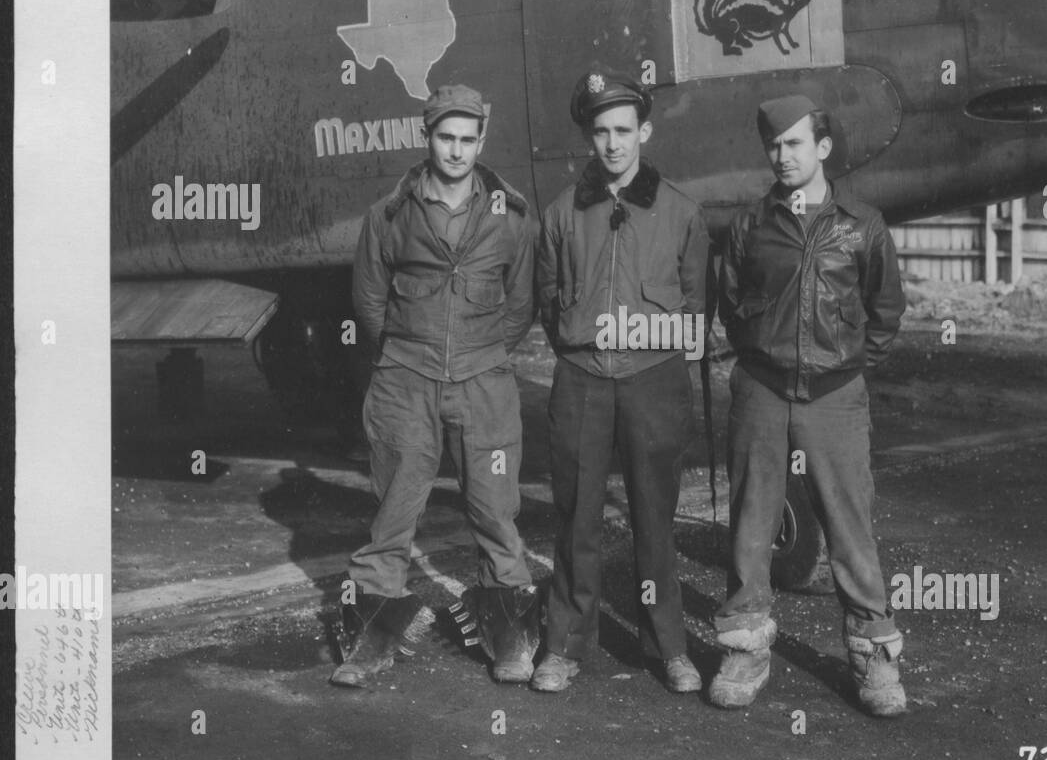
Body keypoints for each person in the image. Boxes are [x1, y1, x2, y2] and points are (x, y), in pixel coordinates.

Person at [335, 83, 539, 688]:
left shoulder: (510, 217)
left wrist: (479, 357)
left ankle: (507, 633)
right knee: (394, 509)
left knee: (496, 510)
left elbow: (520, 306)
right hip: (406, 379)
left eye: (466, 140)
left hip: (484, 380)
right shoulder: (390, 215)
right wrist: (405, 358)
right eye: (445, 138)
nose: (455, 151)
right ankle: (370, 637)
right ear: (428, 139)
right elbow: (369, 303)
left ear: (482, 141)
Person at [710, 93, 907, 715]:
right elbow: (732, 303)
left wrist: (843, 369)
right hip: (762, 392)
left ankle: (874, 656)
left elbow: (885, 311)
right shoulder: (750, 223)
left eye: (795, 143)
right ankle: (745, 644)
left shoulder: (862, 224)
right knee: (751, 524)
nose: (782, 155)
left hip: (835, 397)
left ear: (822, 148)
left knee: (851, 529)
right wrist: (766, 360)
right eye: (774, 145)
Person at [532, 70, 709, 694]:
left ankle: (668, 647)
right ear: (588, 136)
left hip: (653, 381)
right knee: (576, 516)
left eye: (624, 130)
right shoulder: (558, 216)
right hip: (581, 380)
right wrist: (587, 347)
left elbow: (694, 314)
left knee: (654, 518)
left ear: (646, 132)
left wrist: (640, 345)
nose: (613, 143)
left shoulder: (682, 213)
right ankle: (563, 646)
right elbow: (551, 304)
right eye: (601, 131)